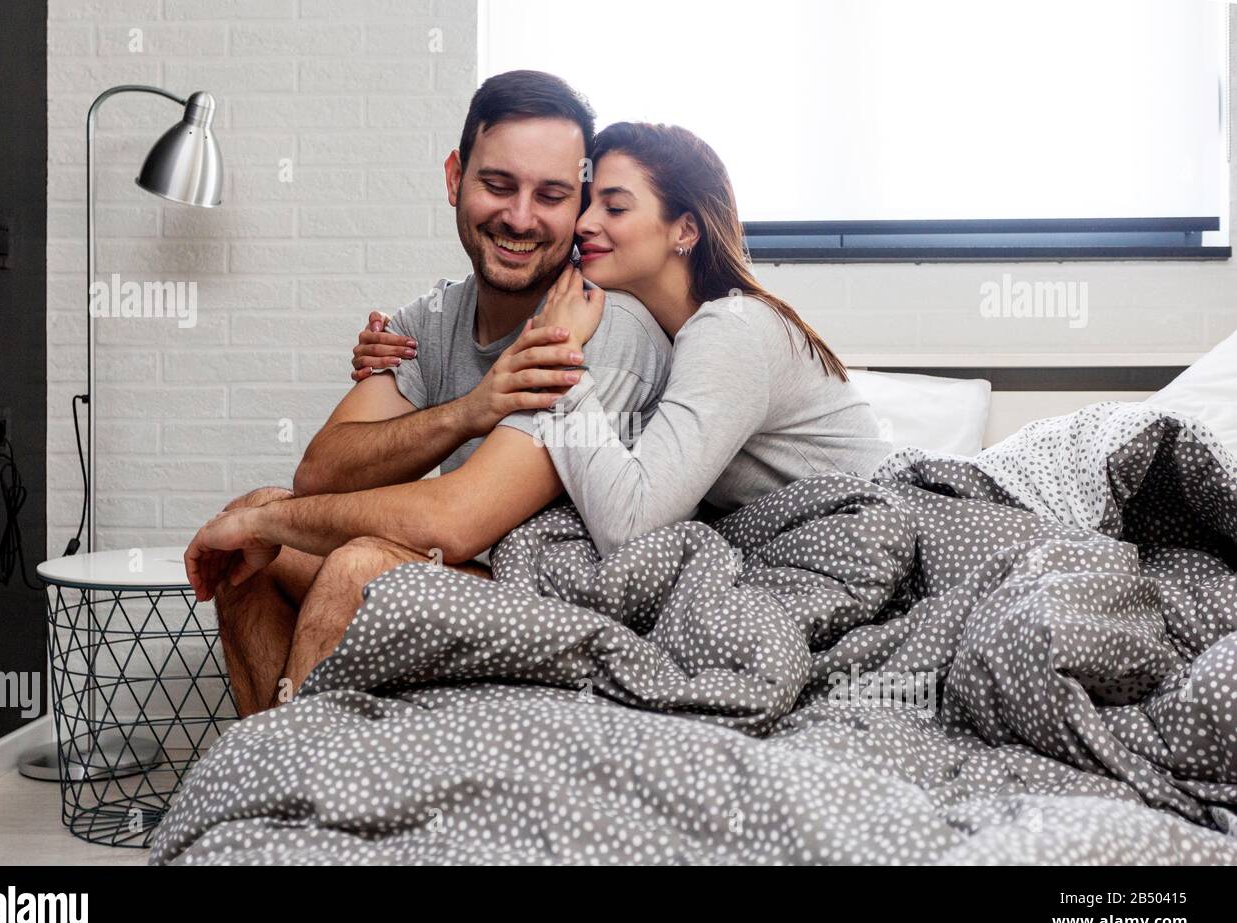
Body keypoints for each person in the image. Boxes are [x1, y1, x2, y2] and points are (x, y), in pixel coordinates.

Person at [183, 71, 670, 716]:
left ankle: (285, 794)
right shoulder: (429, 320)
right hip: (466, 580)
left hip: (558, 606)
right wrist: (469, 412)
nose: (519, 217)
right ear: (454, 178)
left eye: (550, 195)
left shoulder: (602, 328)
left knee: (353, 565)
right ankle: (276, 787)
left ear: (577, 206)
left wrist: (268, 522)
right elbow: (321, 474)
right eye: (497, 185)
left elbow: (454, 520)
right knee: (256, 538)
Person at [519, 121, 892, 556]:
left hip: (872, 534)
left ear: (685, 231)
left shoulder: (730, 329)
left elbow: (630, 528)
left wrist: (563, 359)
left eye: (615, 208)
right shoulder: (669, 340)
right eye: (587, 205)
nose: (583, 224)